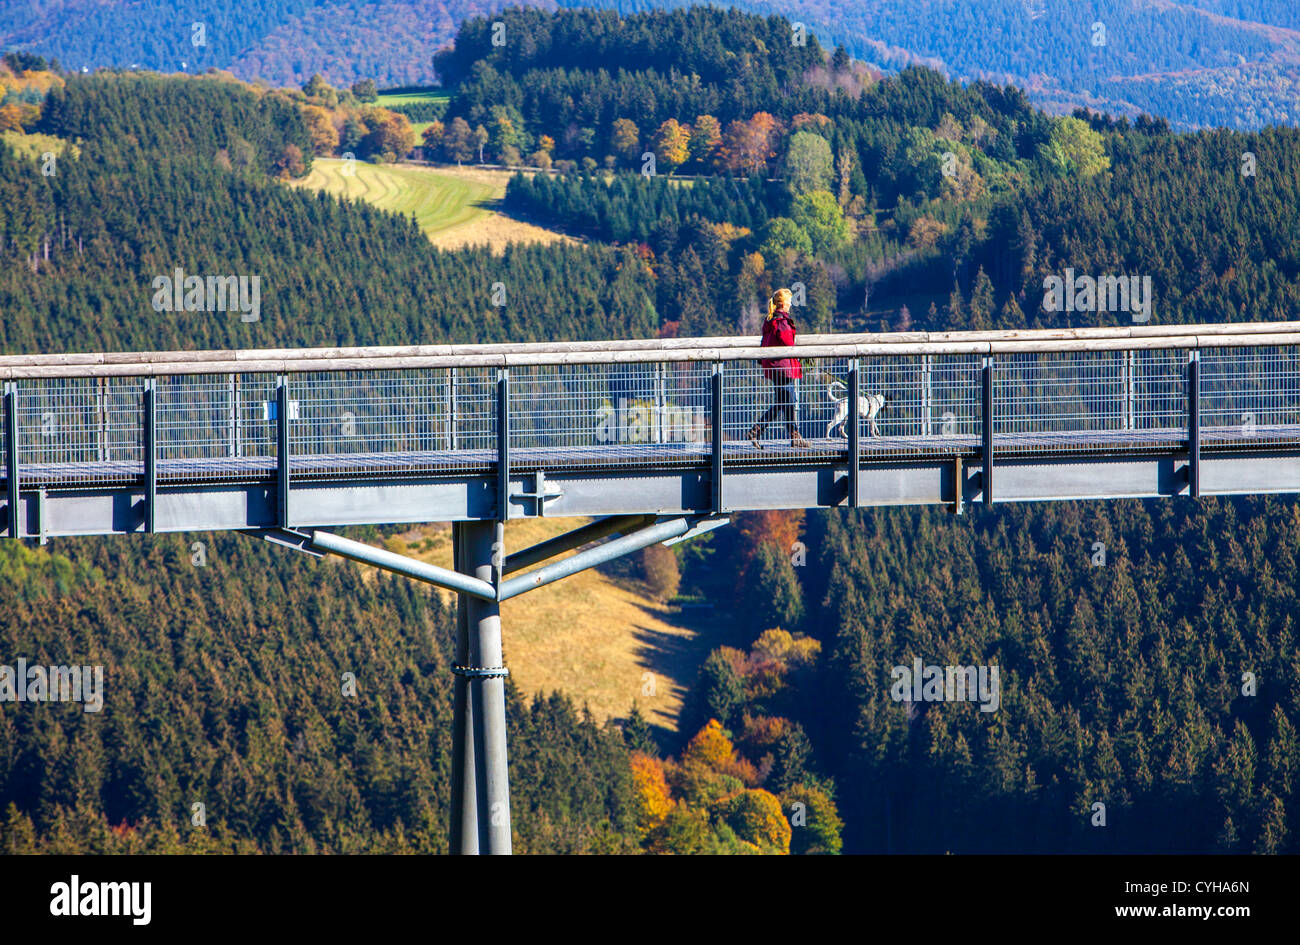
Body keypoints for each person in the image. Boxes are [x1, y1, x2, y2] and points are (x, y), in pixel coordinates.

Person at [747, 288, 810, 449]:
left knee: (785, 401)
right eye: (789, 302)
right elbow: (788, 342)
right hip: (783, 367)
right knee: (787, 401)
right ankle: (757, 430)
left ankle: (792, 435)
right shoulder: (782, 321)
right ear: (783, 304)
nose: (790, 305)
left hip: (775, 366)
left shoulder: (770, 320)